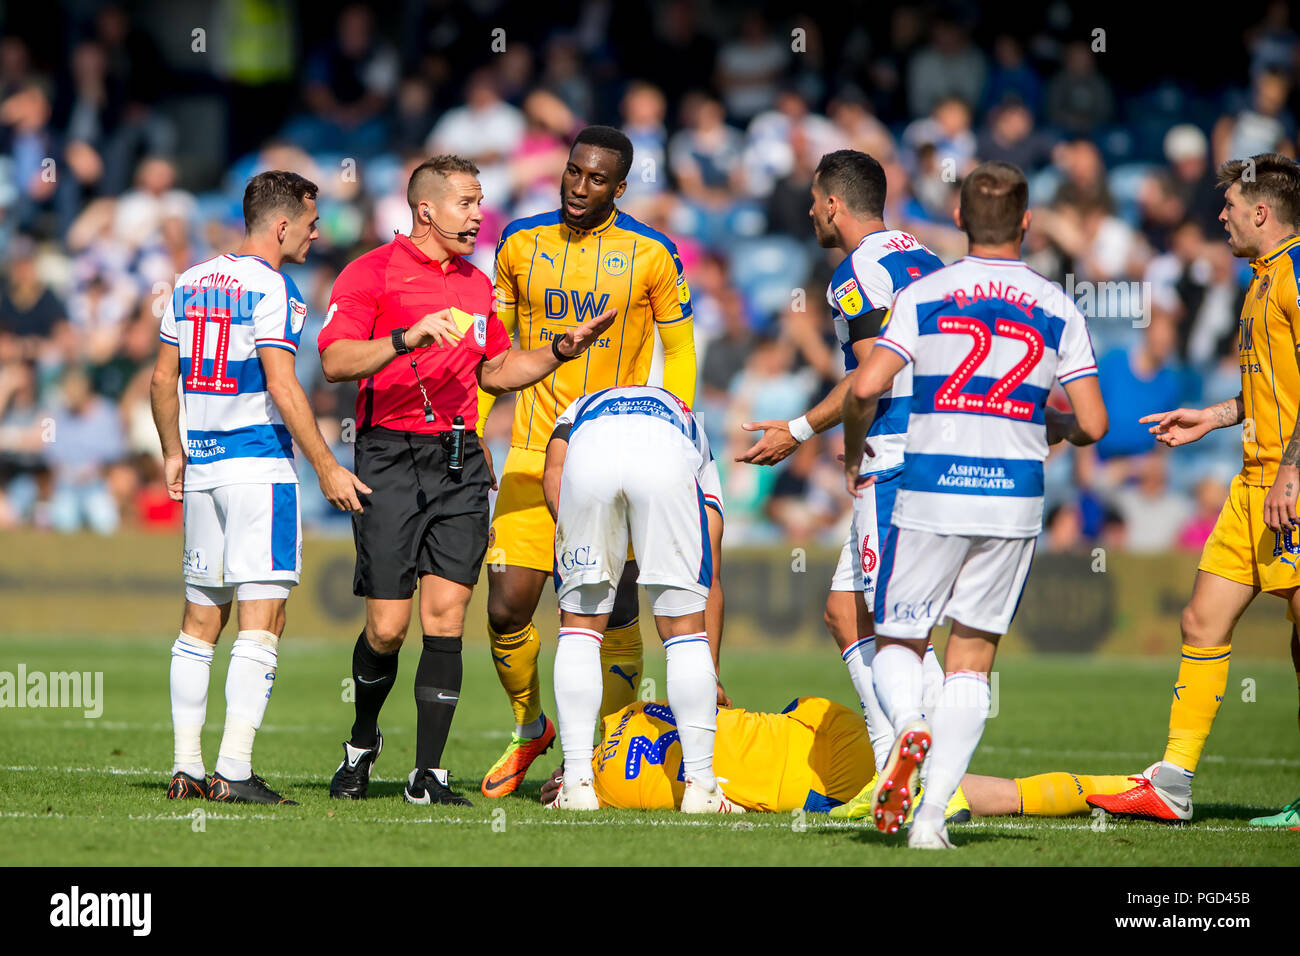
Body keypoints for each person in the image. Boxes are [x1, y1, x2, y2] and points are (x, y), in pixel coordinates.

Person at [319, 155, 614, 807]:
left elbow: (496, 371)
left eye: (481, 203)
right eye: (467, 203)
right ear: (426, 210)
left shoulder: (478, 287)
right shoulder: (370, 273)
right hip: (388, 456)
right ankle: (362, 744)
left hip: (460, 461)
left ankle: (428, 775)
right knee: (388, 629)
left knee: (446, 617)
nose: (479, 215)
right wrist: (405, 339)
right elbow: (336, 360)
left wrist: (559, 351)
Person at [842, 160, 1109, 848]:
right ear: (1026, 223)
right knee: (973, 659)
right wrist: (1047, 422)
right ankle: (930, 822)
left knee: (899, 636)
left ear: (957, 219)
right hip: (1013, 497)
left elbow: (868, 382)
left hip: (930, 486)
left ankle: (909, 728)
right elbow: (1095, 424)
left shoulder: (928, 291)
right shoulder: (1056, 304)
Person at [479, 127, 698, 799]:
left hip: (614, 452)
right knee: (507, 607)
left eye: (596, 179)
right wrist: (484, 430)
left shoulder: (653, 252)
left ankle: (602, 753)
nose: (579, 187)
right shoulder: (519, 243)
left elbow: (681, 353)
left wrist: (676, 439)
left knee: (616, 613)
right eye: (573, 172)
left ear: (620, 187)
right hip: (528, 450)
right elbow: (497, 347)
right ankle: (530, 728)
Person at [1089, 153, 1300, 823]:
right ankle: (1172, 783)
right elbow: (1272, 387)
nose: (1221, 216)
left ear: (1261, 212)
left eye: (1232, 207)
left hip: (1290, 483)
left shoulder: (1296, 275)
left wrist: (1294, 469)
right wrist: (1212, 415)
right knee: (1201, 620)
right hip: (1253, 482)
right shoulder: (1260, 280)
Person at [737, 149, 944, 814]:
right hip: (939, 448)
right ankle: (892, 770)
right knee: (845, 611)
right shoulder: (931, 260)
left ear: (833, 202)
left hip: (895, 457)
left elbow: (865, 379)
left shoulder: (856, 272)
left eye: (813, 199)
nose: (808, 212)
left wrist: (800, 431)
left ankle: (937, 777)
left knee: (896, 621)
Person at [151, 170, 368, 804]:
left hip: (204, 466)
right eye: (311, 221)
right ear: (282, 225)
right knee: (263, 618)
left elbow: (163, 381)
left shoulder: (189, 281)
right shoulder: (275, 288)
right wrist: (326, 464)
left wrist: (173, 452)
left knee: (198, 621)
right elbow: (282, 382)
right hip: (259, 469)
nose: (316, 231)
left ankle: (187, 767)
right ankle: (235, 771)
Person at [542, 385, 733, 812]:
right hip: (662, 460)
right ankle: (701, 790)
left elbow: (554, 472)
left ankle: (575, 784)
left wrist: (577, 555)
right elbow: (712, 562)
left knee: (578, 632)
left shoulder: (581, 404)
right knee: (684, 632)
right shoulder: (687, 416)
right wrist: (711, 670)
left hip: (588, 461)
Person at [541, 695, 1143, 819]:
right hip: (823, 724)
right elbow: (715, 695)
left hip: (814, 785)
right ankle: (1124, 784)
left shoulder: (617, 795)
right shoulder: (633, 712)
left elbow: (720, 807)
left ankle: (1104, 788)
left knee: (972, 796)